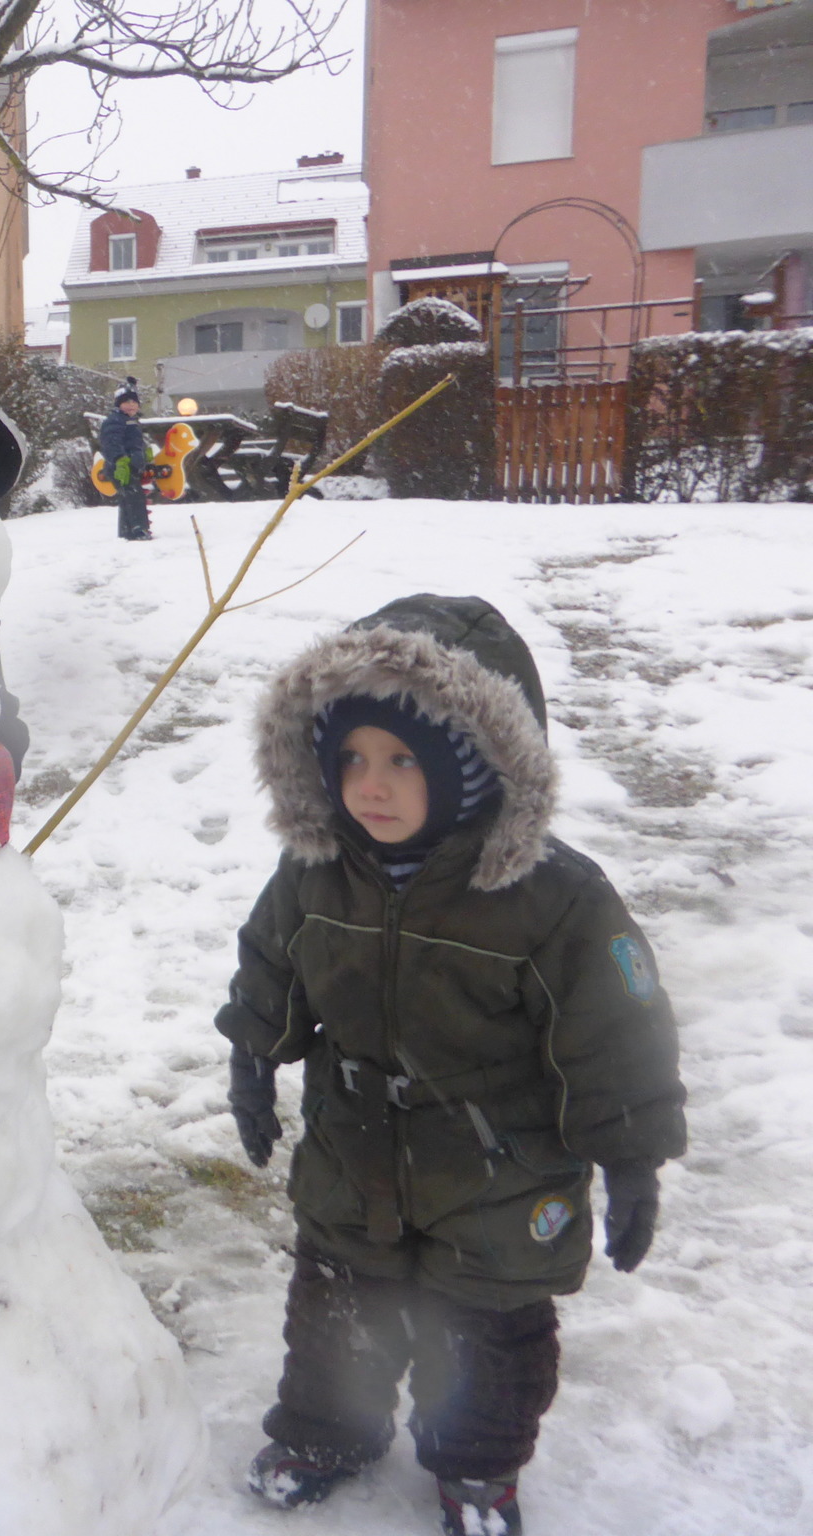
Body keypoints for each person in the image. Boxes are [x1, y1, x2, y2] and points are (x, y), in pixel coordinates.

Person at [215, 595, 685, 1536]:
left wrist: (630, 1157)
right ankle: (325, 1431)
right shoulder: (315, 871)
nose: (370, 786)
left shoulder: (554, 898)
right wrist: (253, 1061)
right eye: (351, 758)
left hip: (501, 1173)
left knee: (485, 1336)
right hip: (354, 1147)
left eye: (400, 760)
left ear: (474, 767)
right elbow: (272, 963)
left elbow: (618, 1032)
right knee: (337, 1308)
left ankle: (476, 1469)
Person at [97, 378, 150, 540]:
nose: (131, 405)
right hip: (120, 467)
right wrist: (120, 460)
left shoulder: (131, 421)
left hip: (131, 466)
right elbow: (111, 443)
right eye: (126, 402)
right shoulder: (114, 421)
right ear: (118, 404)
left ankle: (128, 531)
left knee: (131, 496)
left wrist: (143, 454)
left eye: (134, 402)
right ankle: (138, 530)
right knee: (133, 497)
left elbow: (135, 443)